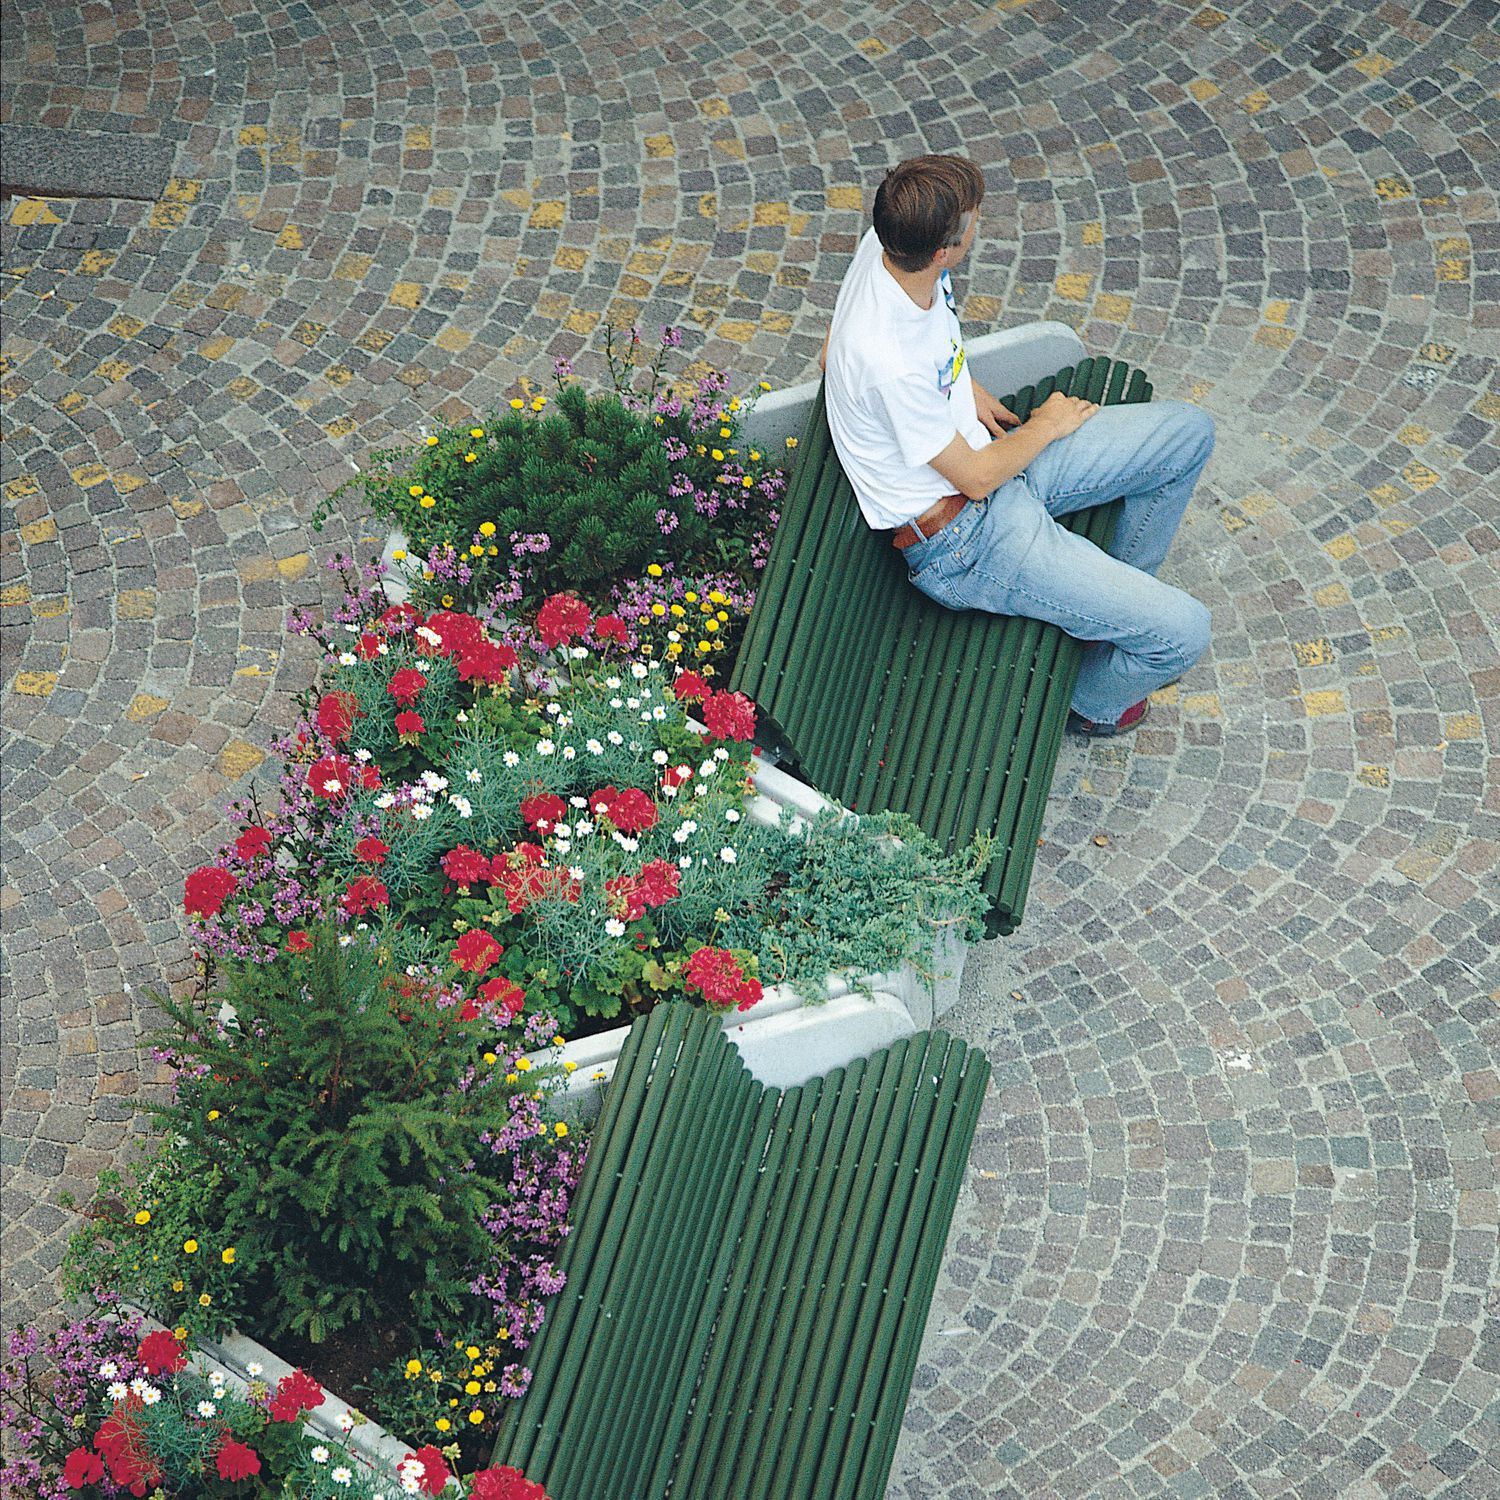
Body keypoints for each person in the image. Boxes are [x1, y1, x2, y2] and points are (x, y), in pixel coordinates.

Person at [821, 154, 1213, 735]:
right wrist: (1044, 427)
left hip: (990, 458)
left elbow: (833, 353)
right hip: (965, 537)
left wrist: (960, 385)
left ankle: (1109, 616)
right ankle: (1091, 702)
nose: (979, 222)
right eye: (972, 219)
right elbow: (974, 478)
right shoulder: (888, 362)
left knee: (1188, 434)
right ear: (942, 253)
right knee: (1184, 632)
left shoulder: (883, 247)